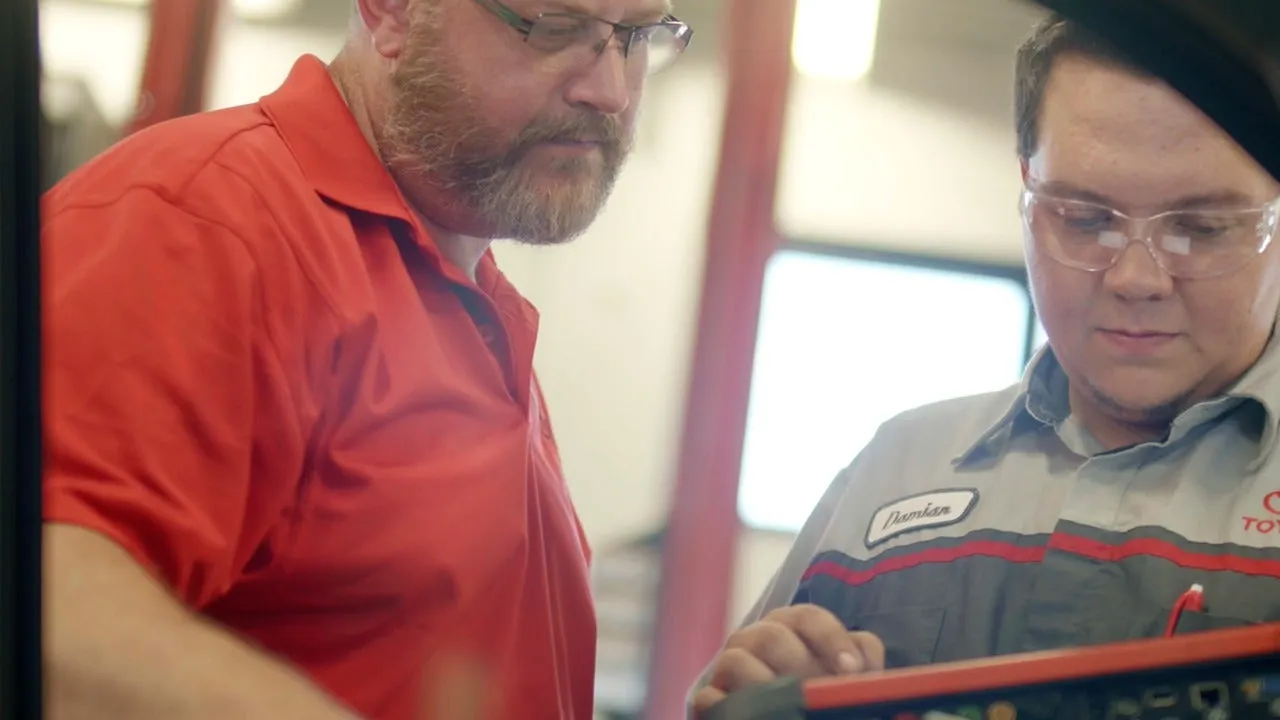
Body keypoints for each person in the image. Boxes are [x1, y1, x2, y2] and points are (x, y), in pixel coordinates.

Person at [41, 1, 691, 719]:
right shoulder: (205, 222)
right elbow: (48, 616)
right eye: (554, 28)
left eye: (636, 38)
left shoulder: (473, 301)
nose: (611, 91)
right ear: (393, 11)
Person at [691, 13, 1280, 717]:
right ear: (1027, 196)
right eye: (1085, 219)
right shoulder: (895, 467)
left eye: (1200, 229)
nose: (1136, 277)